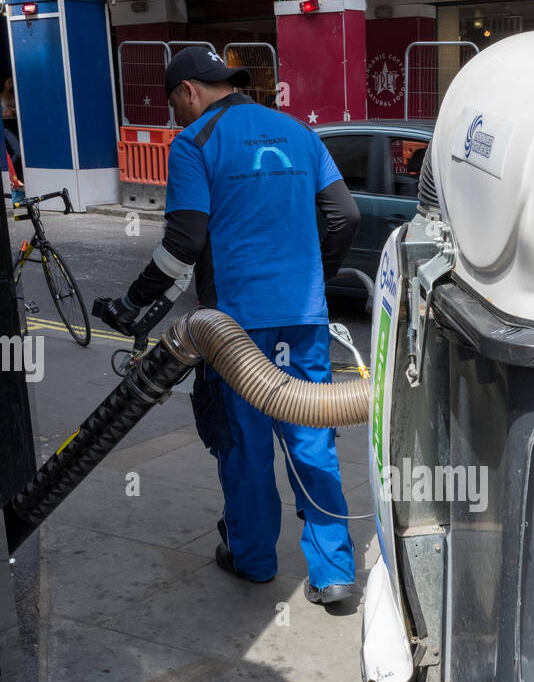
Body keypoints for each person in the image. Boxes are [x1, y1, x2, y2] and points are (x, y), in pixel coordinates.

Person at [97, 46, 361, 600]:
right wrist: (311, 277)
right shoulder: (299, 132)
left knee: (245, 444)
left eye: (174, 105)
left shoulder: (194, 144)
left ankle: (254, 559)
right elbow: (345, 215)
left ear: (189, 92)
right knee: (312, 435)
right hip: (303, 318)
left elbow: (184, 243)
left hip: (234, 329)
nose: (176, 116)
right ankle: (334, 575)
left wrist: (133, 300)